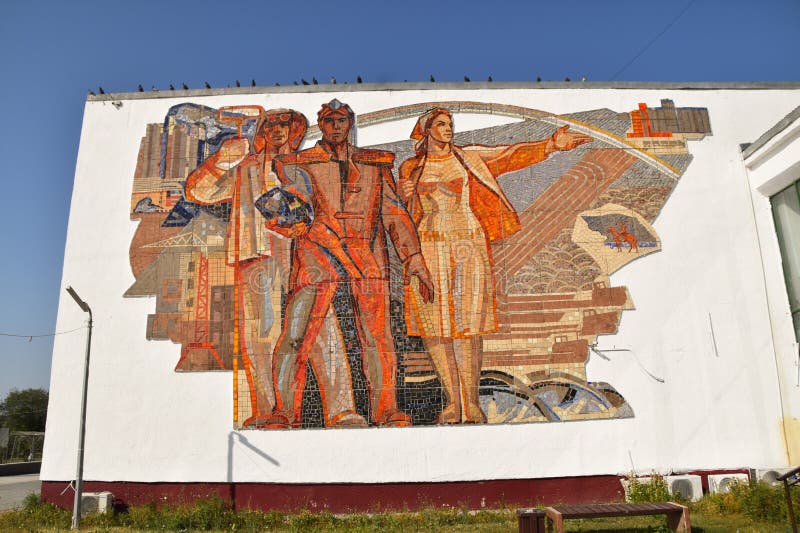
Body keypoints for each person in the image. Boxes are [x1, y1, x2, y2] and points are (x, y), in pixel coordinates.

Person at [398, 108, 592, 424]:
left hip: (468, 241)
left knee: (468, 324)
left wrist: (552, 144)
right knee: (434, 326)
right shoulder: (411, 167)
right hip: (428, 243)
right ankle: (452, 402)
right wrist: (404, 195)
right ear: (426, 130)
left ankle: (471, 402)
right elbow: (401, 216)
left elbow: (509, 154)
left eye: (451, 124)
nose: (449, 130)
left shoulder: (467, 159)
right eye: (442, 125)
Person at [264, 99, 435, 428]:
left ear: (350, 124)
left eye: (342, 120)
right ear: (322, 123)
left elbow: (393, 213)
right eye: (330, 120)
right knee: (296, 335)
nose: (336, 126)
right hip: (317, 255)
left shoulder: (374, 164)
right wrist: (285, 220)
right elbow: (288, 208)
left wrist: (413, 257)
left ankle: (386, 409)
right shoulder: (297, 164)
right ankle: (284, 412)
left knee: (377, 337)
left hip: (366, 256)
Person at [185, 108, 358, 428]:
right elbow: (198, 191)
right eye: (272, 124)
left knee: (321, 328)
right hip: (259, 254)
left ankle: (342, 410)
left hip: (307, 254)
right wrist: (222, 158)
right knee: (261, 335)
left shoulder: (308, 164)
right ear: (262, 130)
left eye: (286, 125)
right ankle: (270, 412)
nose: (279, 130)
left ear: (296, 130)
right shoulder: (246, 167)